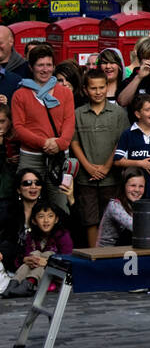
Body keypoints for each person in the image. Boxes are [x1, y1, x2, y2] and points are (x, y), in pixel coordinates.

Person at [10, 43, 76, 214]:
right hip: (31, 157)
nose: (45, 69)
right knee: (27, 205)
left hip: (59, 157)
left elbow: (69, 122)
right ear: (31, 67)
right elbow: (18, 127)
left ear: (54, 66)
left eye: (48, 65)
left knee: (60, 204)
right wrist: (44, 143)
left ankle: (61, 240)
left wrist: (60, 144)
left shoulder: (65, 93)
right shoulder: (20, 94)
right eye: (40, 65)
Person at [71, 67, 129, 246]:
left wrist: (105, 167)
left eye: (101, 87)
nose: (98, 92)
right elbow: (74, 142)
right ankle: (94, 258)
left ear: (107, 86)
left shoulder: (118, 113)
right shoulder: (78, 113)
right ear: (85, 89)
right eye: (93, 88)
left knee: (111, 220)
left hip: (111, 177)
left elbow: (121, 142)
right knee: (90, 220)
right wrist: (88, 166)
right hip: (86, 178)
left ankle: (109, 259)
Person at [7, 197, 74, 295]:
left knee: (48, 254)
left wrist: (48, 262)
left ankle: (29, 284)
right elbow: (26, 255)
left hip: (59, 274)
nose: (46, 220)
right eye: (41, 216)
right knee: (35, 254)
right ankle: (13, 284)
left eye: (50, 216)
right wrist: (26, 259)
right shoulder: (31, 236)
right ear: (34, 221)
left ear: (56, 219)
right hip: (38, 272)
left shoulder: (63, 235)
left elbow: (69, 260)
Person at [96, 167, 148, 246]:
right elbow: (136, 227)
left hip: (126, 249)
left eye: (141, 186)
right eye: (133, 185)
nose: (137, 190)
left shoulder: (138, 204)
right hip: (107, 252)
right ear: (123, 186)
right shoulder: (114, 205)